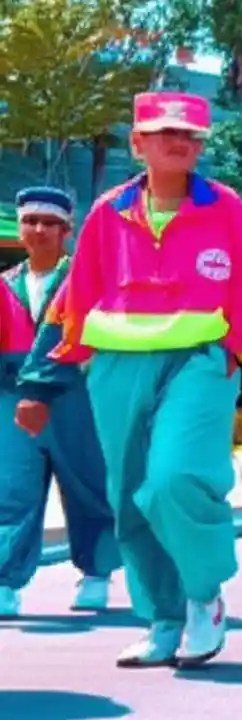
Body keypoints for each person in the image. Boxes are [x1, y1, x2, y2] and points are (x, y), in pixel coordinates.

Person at [14, 92, 242, 667]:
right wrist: (39, 383)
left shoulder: (226, 208)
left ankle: (203, 594)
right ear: (138, 143)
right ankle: (163, 618)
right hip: (116, 365)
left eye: (189, 135)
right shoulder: (108, 211)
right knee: (129, 495)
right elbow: (74, 299)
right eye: (164, 133)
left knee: (174, 479)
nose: (178, 142)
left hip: (198, 361)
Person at [0, 187, 119, 617]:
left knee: (87, 484)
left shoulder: (87, 279)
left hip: (75, 394)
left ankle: (96, 573)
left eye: (50, 223)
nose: (39, 230)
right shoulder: (4, 284)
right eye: (31, 221)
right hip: (14, 395)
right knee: (11, 488)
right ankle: (5, 581)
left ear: (67, 230)